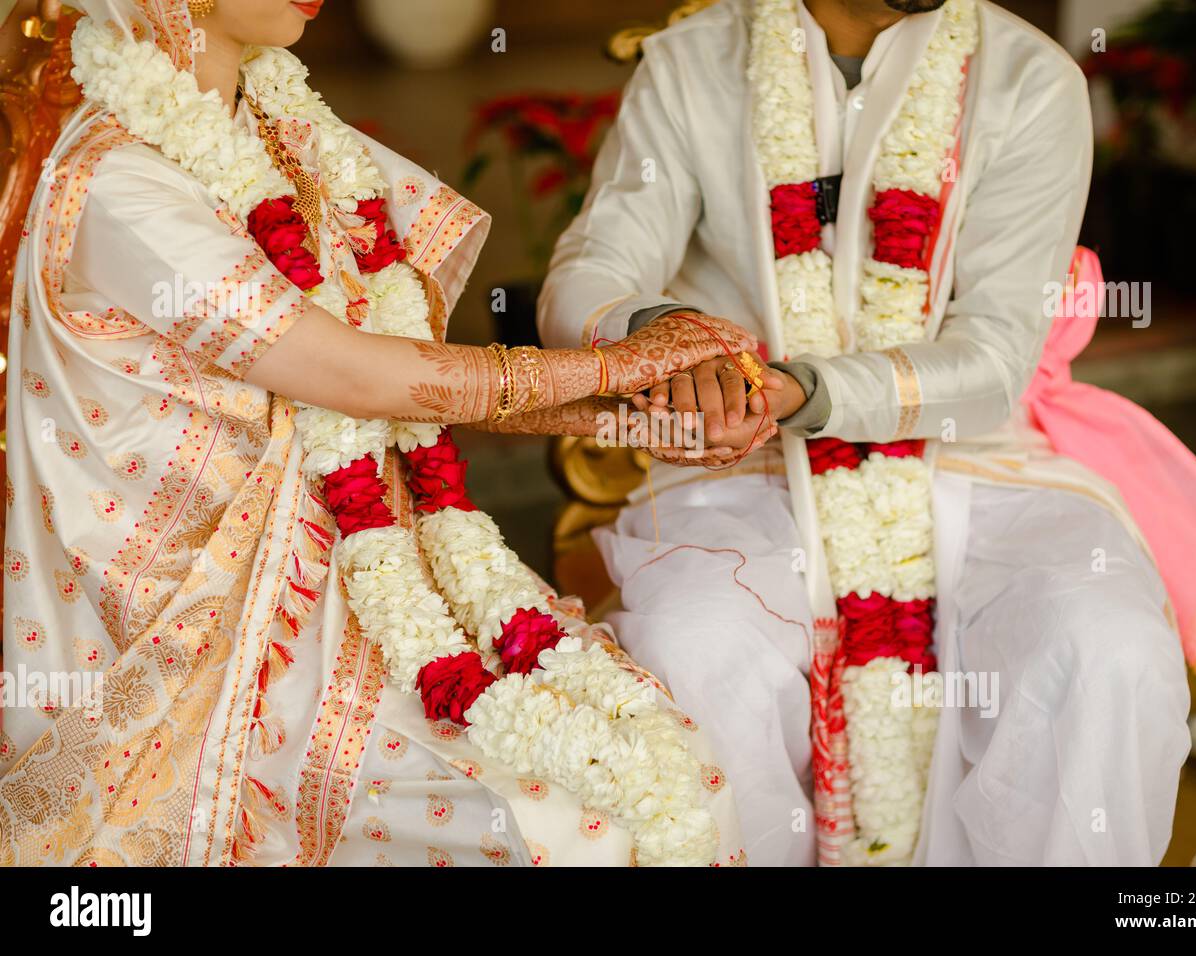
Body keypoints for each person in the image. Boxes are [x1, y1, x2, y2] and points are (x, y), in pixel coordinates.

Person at [0, 0, 757, 867]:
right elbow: (357, 373)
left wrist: (636, 420)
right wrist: (622, 366)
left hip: (375, 584)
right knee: (573, 836)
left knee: (682, 775)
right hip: (213, 662)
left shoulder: (292, 133)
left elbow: (407, 381)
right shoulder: (114, 181)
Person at [538, 0, 1196, 866]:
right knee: (697, 646)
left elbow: (993, 362)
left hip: (984, 460)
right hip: (746, 465)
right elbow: (586, 276)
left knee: (1105, 643)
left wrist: (801, 389)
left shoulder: (1031, 79)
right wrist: (663, 334)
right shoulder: (694, 61)